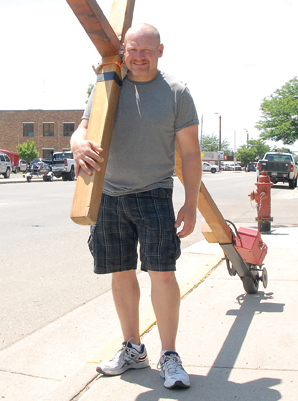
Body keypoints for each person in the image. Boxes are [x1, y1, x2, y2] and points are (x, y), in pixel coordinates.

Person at [71, 23, 201, 390]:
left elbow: (191, 153)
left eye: (147, 49)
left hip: (154, 193)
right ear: (123, 50)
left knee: (162, 273)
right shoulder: (108, 86)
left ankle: (170, 355)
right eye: (133, 49)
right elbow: (82, 129)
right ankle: (133, 348)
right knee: (121, 272)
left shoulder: (176, 92)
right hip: (108, 194)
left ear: (161, 51)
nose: (140, 56)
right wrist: (76, 142)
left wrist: (190, 204)